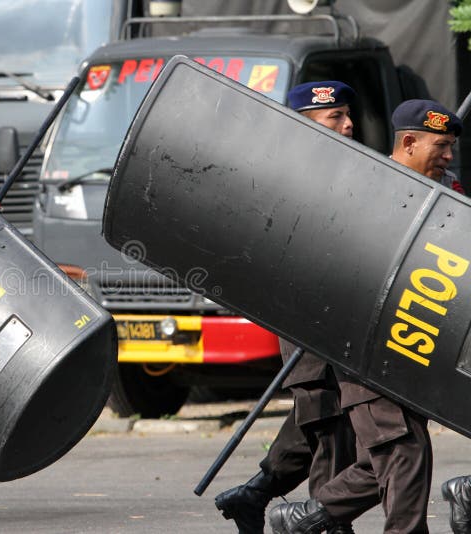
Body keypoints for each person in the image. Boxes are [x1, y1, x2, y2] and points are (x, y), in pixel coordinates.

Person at [268, 99, 463, 534]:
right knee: (403, 455)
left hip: (415, 354)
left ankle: (305, 518)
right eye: (442, 145)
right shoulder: (366, 192)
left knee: (389, 463)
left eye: (452, 146)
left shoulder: (450, 196)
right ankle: (305, 517)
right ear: (409, 142)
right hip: (368, 356)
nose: (449, 156)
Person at [213, 81, 357, 534]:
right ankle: (324, 524)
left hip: (345, 318)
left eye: (348, 114)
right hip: (306, 318)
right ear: (303, 126)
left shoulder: (354, 172)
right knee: (327, 418)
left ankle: (253, 495)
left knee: (319, 418)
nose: (349, 124)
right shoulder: (280, 178)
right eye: (335, 116)